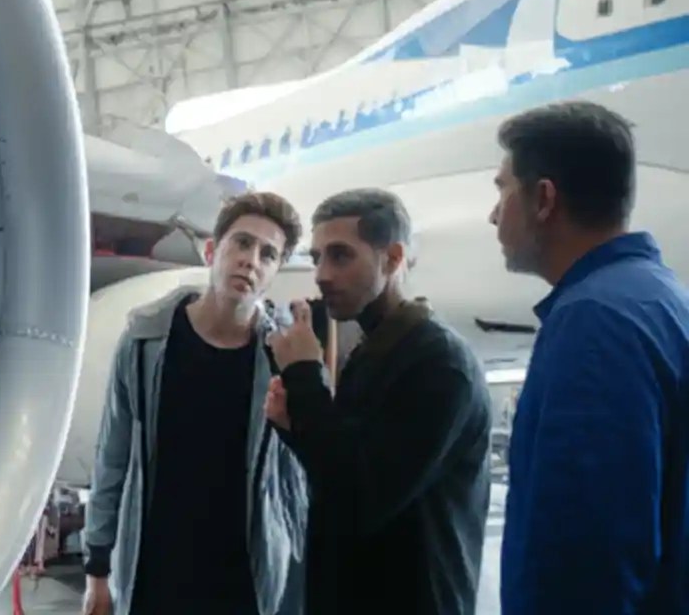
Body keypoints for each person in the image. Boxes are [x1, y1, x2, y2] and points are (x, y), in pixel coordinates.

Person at [489, 101, 689, 614]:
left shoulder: (594, 321)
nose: (493, 214)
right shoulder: (659, 299)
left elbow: (587, 557)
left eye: (502, 189)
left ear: (543, 198)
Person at [264, 188, 492, 615]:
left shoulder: (438, 364)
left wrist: (304, 375)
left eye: (341, 256)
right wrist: (295, 427)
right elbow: (344, 461)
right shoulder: (377, 350)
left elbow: (361, 495)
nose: (322, 275)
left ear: (392, 258)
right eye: (317, 258)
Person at [82, 191, 309, 615]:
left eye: (268, 254)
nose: (251, 261)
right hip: (156, 577)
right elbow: (113, 457)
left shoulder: (283, 357)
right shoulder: (145, 341)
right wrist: (97, 570)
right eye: (241, 243)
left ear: (275, 271)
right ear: (211, 250)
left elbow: (297, 488)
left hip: (244, 584)